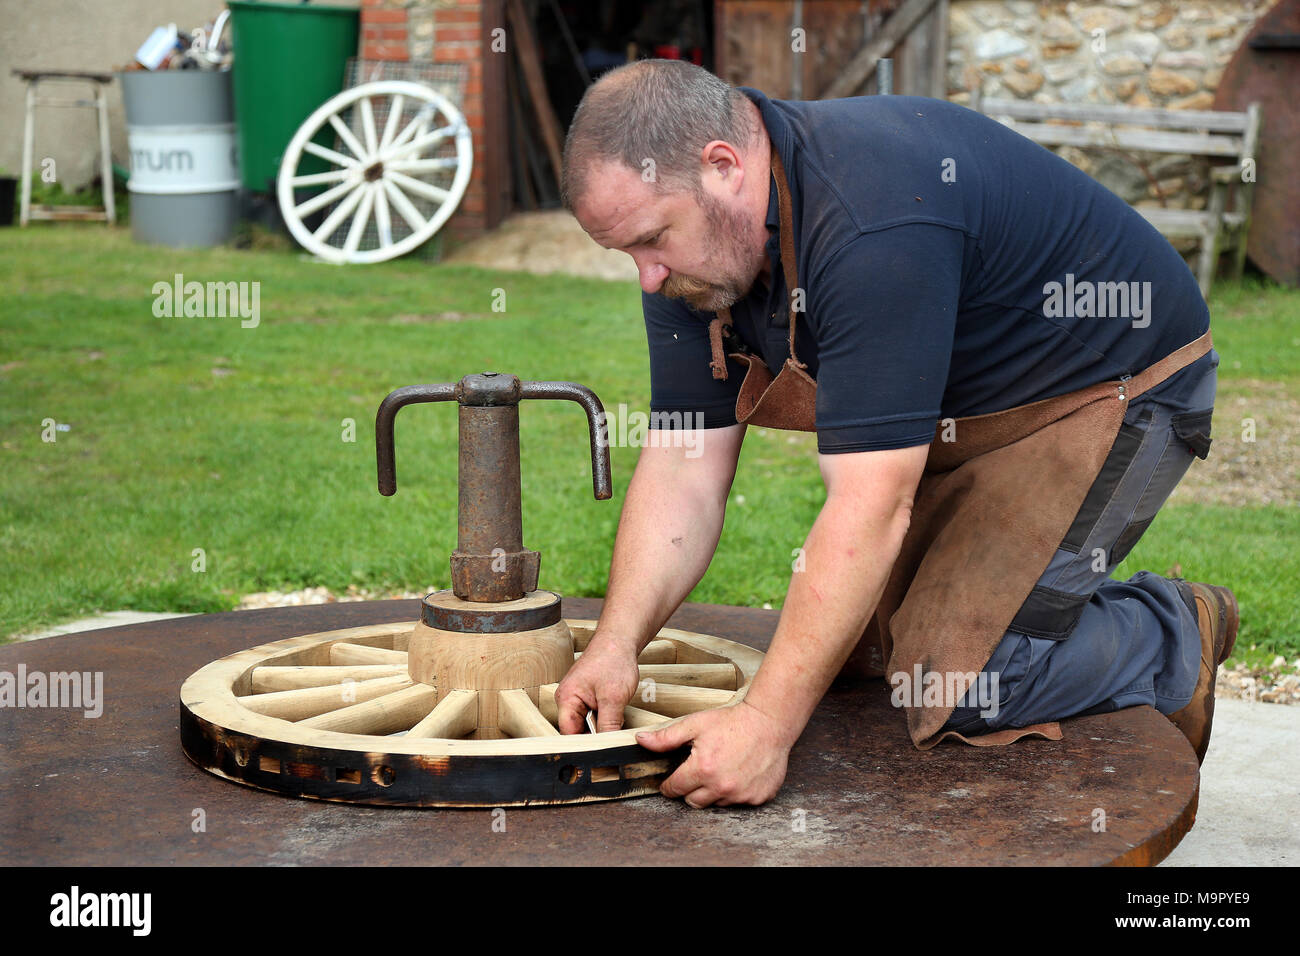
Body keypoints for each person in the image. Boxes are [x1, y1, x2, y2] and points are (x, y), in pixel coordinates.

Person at [554, 59, 1237, 809]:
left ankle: (1173, 628)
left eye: (652, 239)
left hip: (1116, 389)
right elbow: (684, 468)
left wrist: (765, 725)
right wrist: (617, 646)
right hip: (960, 413)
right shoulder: (687, 266)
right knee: (869, 659)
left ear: (723, 166)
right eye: (626, 253)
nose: (647, 278)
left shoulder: (871, 220)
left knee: (966, 683)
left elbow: (871, 505)